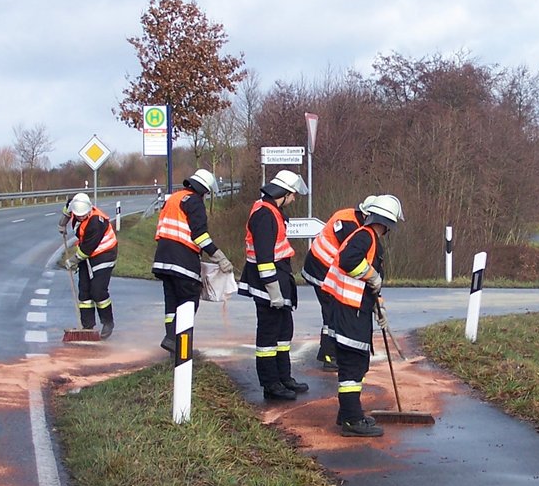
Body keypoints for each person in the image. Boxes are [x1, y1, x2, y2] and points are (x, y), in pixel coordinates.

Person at [324, 194, 403, 437]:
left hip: (352, 309)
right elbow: (350, 262)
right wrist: (370, 274)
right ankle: (351, 420)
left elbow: (370, 284)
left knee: (355, 364)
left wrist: (380, 306)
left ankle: (348, 413)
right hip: (350, 312)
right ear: (387, 223)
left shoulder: (366, 237)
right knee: (353, 365)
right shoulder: (365, 236)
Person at [239, 169, 309, 402]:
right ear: (285, 193)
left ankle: (283, 377)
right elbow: (264, 258)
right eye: (293, 195)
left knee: (283, 333)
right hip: (268, 285)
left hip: (278, 281)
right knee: (268, 337)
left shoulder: (272, 212)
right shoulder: (265, 215)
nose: (294, 199)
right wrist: (273, 291)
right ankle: (271, 384)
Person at [151, 169, 237, 353]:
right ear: (204, 190)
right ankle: (177, 342)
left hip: (163, 258)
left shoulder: (174, 198)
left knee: (172, 304)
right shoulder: (195, 203)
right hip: (182, 260)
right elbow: (200, 236)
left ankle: (172, 341)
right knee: (189, 300)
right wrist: (219, 257)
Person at [301, 195, 377, 370]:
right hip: (321, 269)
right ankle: (330, 356)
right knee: (332, 313)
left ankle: (327, 352)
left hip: (322, 267)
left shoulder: (350, 217)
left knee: (332, 312)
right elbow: (351, 260)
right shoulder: (351, 226)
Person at [59, 192, 118, 338]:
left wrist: (71, 261)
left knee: (98, 290)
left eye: (82, 215)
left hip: (104, 253)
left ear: (89, 210)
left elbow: (86, 250)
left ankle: (108, 322)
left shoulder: (96, 223)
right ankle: (87, 326)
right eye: (77, 215)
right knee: (84, 290)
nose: (79, 217)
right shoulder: (74, 205)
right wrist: (62, 223)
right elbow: (67, 210)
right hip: (86, 252)